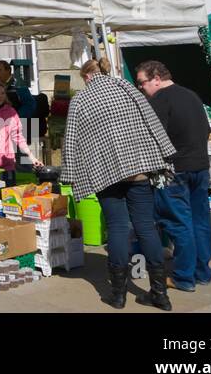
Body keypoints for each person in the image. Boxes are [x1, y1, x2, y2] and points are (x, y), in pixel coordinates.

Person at [63, 56, 176, 311]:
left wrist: (69, 175)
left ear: (88, 77)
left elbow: (71, 139)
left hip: (104, 171)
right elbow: (152, 121)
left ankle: (118, 296)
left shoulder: (81, 100)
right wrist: (165, 153)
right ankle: (160, 294)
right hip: (138, 168)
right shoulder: (128, 89)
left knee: (117, 228)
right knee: (146, 227)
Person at [136, 60, 211, 291]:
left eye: (142, 83)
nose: (140, 88)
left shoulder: (160, 99)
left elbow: (153, 138)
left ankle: (183, 277)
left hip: (175, 170)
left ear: (157, 78)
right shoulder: (191, 95)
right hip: (200, 166)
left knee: (179, 223)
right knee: (200, 221)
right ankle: (202, 272)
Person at [0, 79, 41, 204]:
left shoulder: (11, 112)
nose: (0, 96)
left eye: (2, 93)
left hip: (7, 166)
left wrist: (32, 157)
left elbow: (18, 137)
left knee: (10, 204)